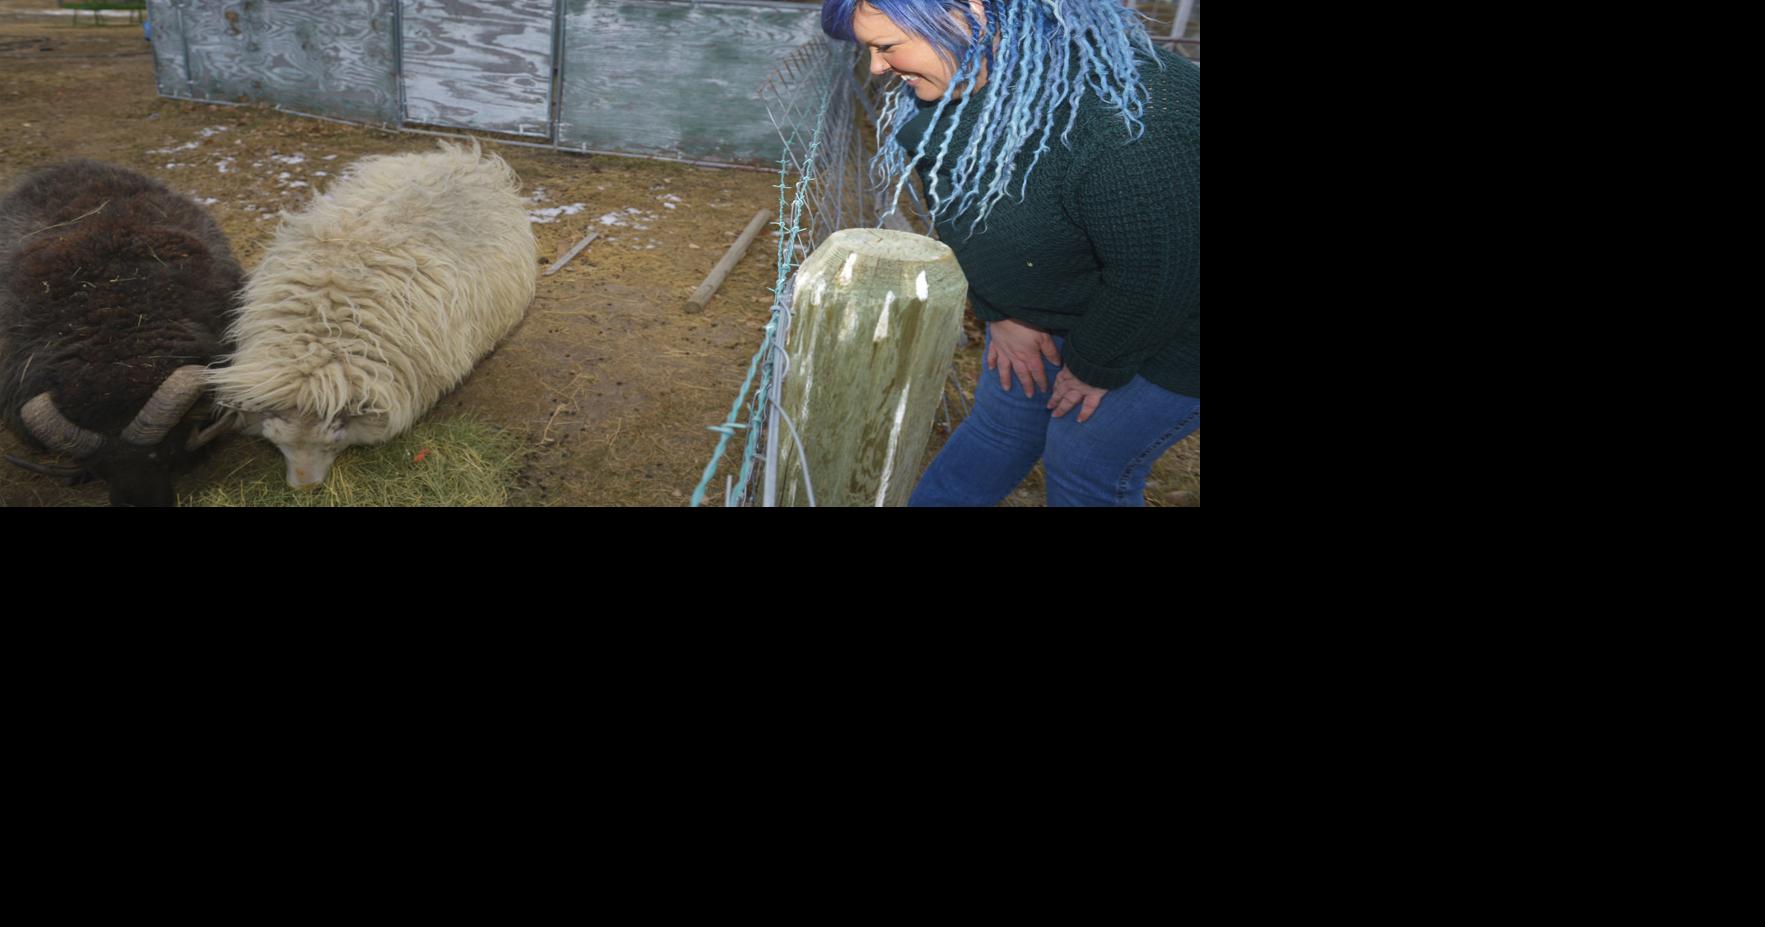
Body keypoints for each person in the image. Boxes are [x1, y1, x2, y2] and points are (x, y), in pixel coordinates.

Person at [820, 0, 1199, 506]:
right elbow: (964, 212)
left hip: (1180, 324)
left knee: (1086, 458)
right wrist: (1006, 313)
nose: (877, 68)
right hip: (1077, 298)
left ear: (968, 14)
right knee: (1004, 423)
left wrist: (1095, 365)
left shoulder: (1128, 122)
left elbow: (1158, 272)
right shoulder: (962, 84)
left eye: (886, 46)